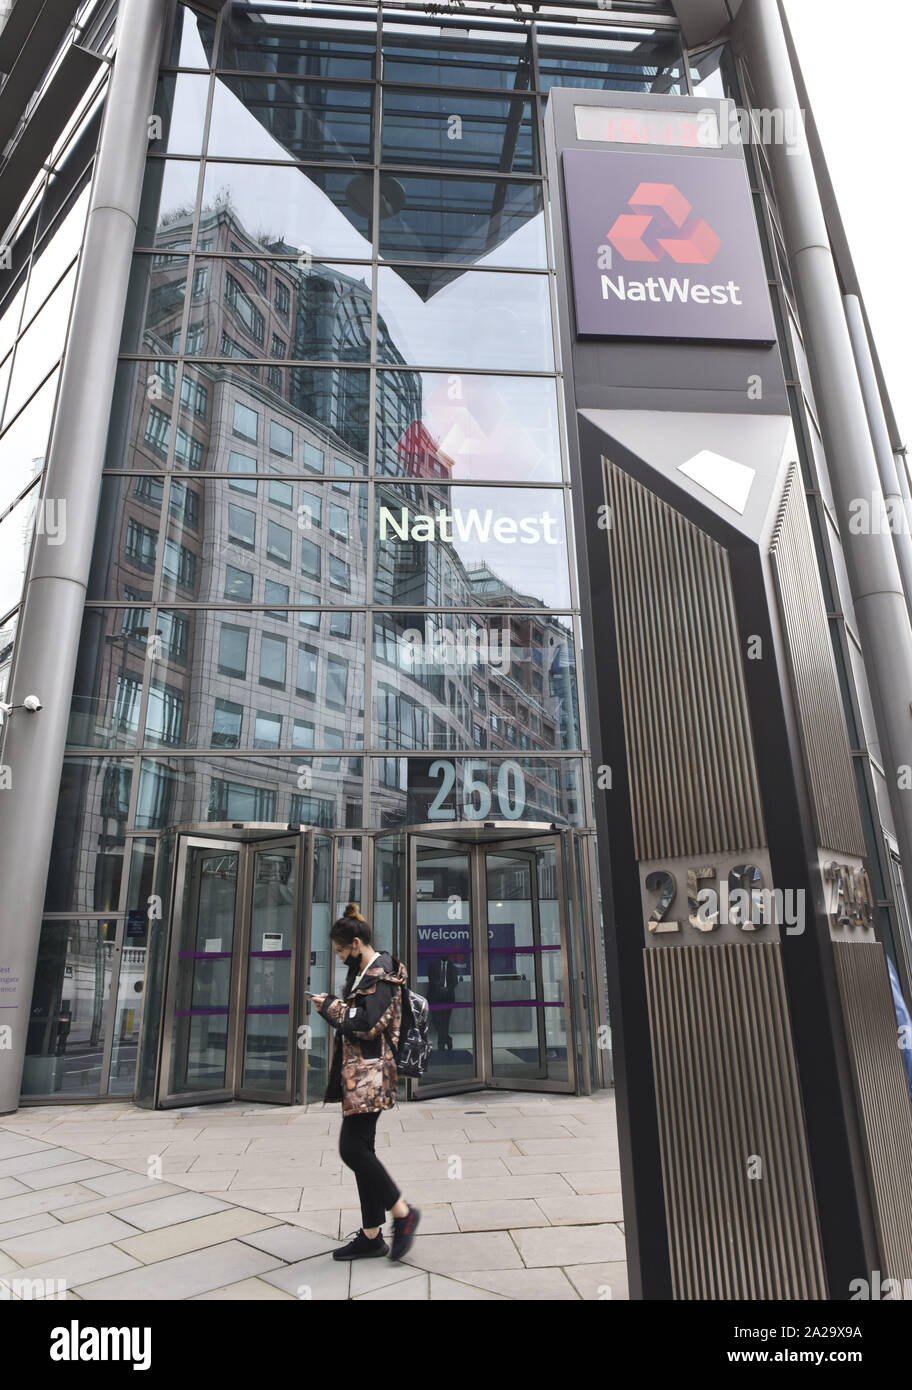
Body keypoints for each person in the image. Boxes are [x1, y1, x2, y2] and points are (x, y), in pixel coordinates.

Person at [311, 903, 422, 1261]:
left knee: (352, 1149)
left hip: (372, 1074)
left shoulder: (382, 974)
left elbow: (365, 1023)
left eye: (342, 949)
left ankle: (403, 1213)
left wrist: (329, 1005)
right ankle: (372, 1235)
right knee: (363, 1151)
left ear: (356, 943)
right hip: (360, 1073)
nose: (340, 955)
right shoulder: (363, 973)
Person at [426, 953, 458, 1051]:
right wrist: (439, 988)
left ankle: (441, 1044)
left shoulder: (453, 967)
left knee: (445, 1022)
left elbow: (455, 982)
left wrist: (447, 989)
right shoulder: (433, 965)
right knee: (435, 1020)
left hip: (448, 997)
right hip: (435, 997)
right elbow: (431, 979)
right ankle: (447, 1038)